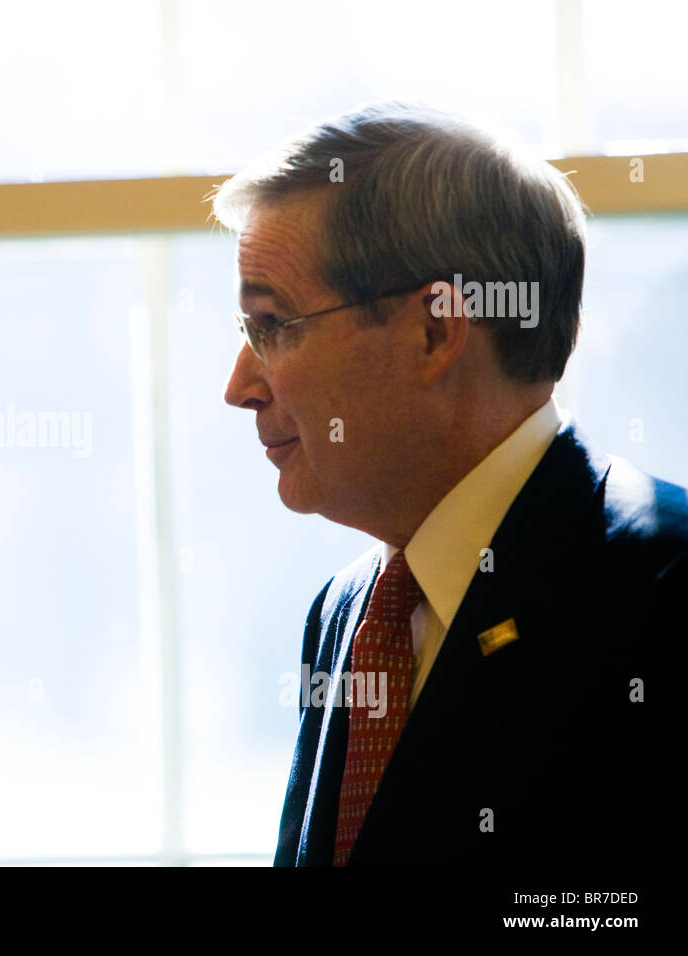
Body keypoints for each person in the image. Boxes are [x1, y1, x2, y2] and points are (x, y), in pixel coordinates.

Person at [214, 102, 684, 867]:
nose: (240, 387)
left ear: (435, 331)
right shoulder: (343, 614)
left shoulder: (662, 590)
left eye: (272, 325)